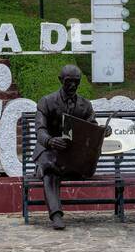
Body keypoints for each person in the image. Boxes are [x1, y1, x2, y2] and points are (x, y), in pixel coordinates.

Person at [34, 64, 99, 231]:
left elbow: (92, 128)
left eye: (76, 82)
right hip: (50, 152)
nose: (72, 86)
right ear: (61, 80)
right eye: (69, 82)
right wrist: (50, 141)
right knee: (50, 169)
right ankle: (56, 214)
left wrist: (102, 131)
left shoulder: (85, 105)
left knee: (77, 165)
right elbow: (40, 131)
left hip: (73, 155)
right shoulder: (46, 102)